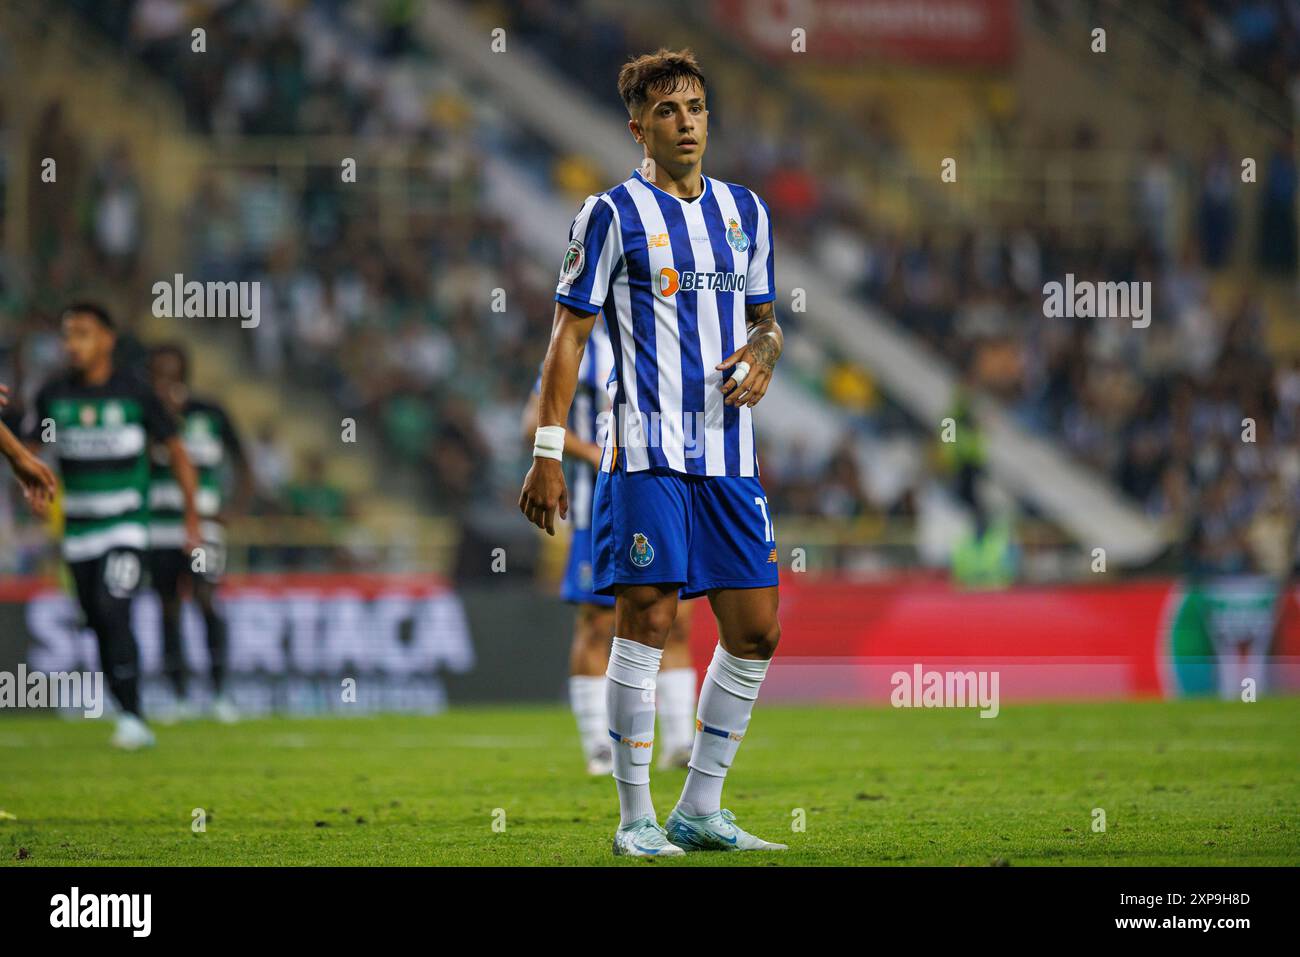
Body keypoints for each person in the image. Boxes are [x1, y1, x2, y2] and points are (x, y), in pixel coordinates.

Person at [519, 49, 787, 857]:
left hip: (730, 459)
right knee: (646, 620)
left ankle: (699, 807)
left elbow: (767, 319)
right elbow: (567, 337)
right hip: (644, 455)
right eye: (669, 112)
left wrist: (765, 352)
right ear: (639, 128)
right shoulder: (609, 215)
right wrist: (546, 451)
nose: (688, 123)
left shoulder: (745, 212)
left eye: (698, 108)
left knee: (757, 630)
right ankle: (634, 816)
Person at [520, 321, 697, 776]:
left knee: (674, 621)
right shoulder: (578, 342)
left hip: (663, 498)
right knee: (598, 624)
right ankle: (599, 744)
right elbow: (530, 423)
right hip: (595, 507)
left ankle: (680, 743)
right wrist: (596, 454)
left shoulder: (662, 335)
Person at [21, 304, 201, 749]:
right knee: (99, 618)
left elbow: (177, 451)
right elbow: (34, 448)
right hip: (78, 532)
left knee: (114, 605)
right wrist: (32, 484)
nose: (71, 344)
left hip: (125, 529)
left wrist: (191, 516)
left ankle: (136, 716)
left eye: (82, 334)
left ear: (107, 339)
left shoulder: (135, 393)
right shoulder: (54, 395)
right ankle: (126, 709)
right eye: (67, 335)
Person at [147, 342, 252, 723]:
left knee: (207, 600)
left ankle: (221, 692)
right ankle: (178, 695)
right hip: (159, 527)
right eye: (158, 373)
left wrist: (235, 509)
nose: (165, 380)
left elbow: (244, 462)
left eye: (171, 372)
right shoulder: (144, 416)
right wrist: (162, 422)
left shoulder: (210, 413)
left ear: (184, 374)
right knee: (168, 608)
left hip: (205, 528)